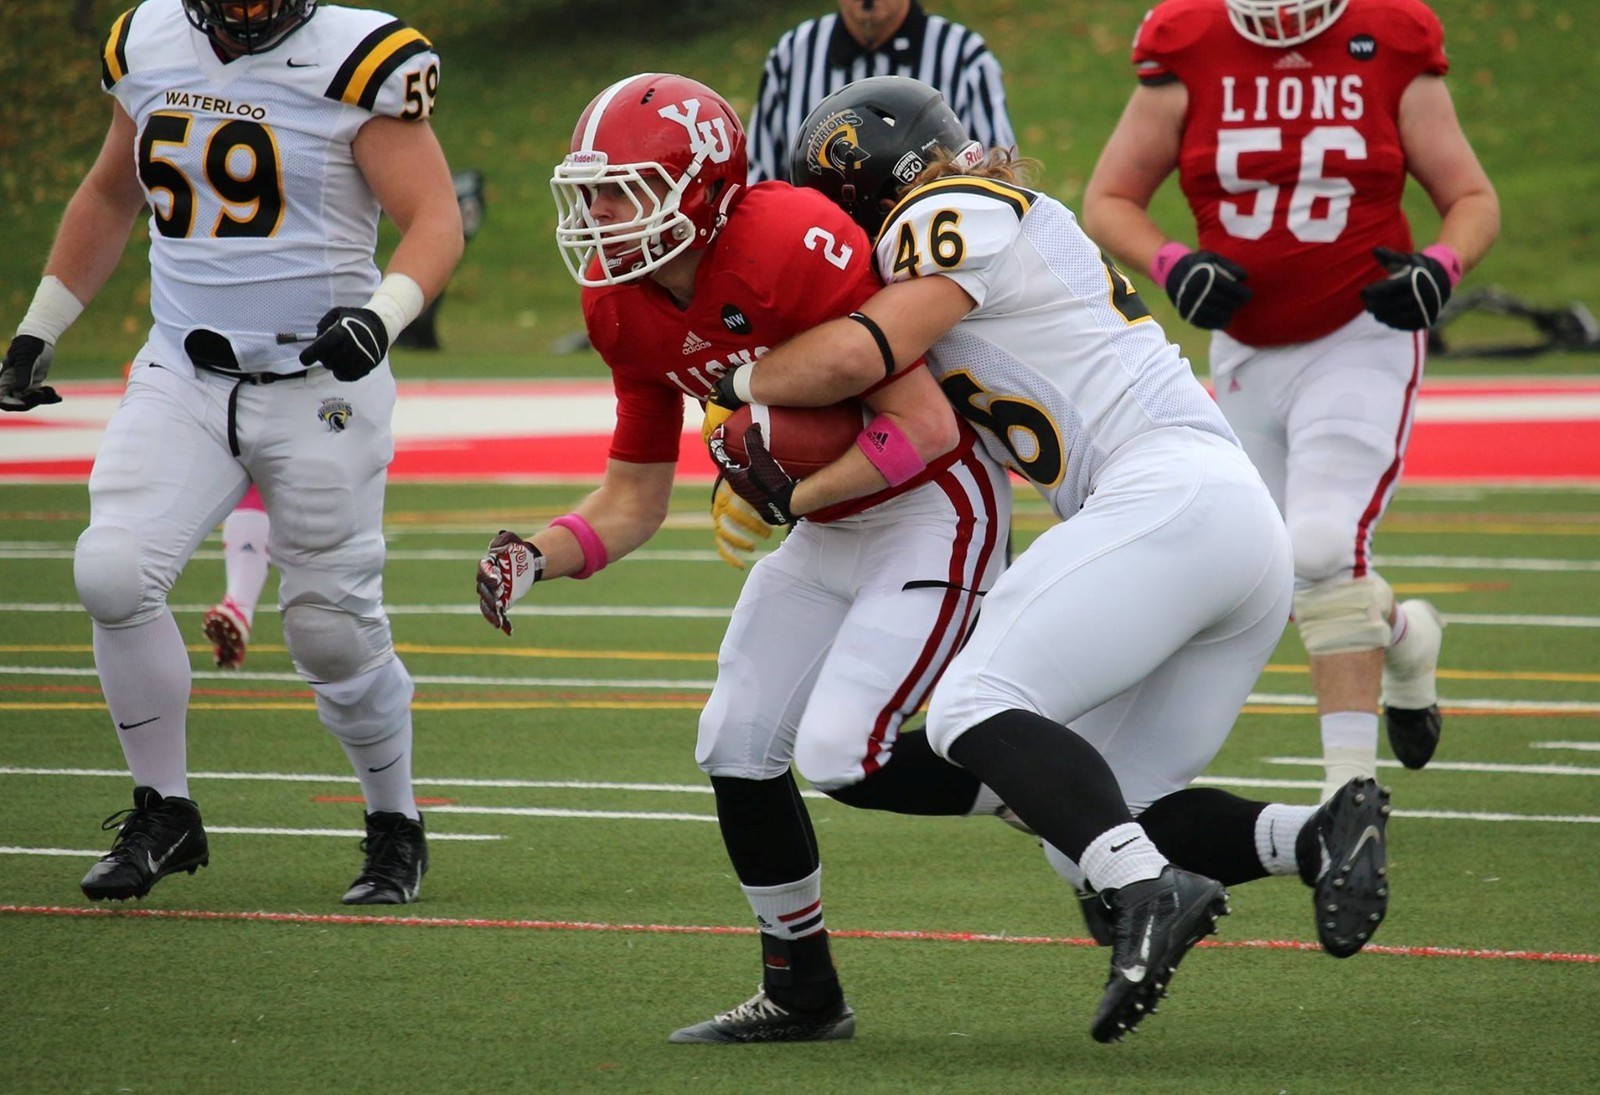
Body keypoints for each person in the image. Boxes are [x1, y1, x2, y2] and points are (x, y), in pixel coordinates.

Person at [704, 76, 1396, 1042]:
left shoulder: (944, 216)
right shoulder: (995, 225)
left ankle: (1153, 895)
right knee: (1094, 823)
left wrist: (731, 379)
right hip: (1228, 531)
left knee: (971, 705)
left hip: (1166, 497)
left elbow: (866, 352)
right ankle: (1319, 835)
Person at [474, 71, 1015, 1046]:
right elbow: (633, 495)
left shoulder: (786, 243)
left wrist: (790, 493)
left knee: (852, 751)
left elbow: (923, 426)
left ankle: (1067, 813)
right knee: (735, 740)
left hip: (930, 503)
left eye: (620, 189)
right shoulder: (620, 304)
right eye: (588, 191)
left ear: (702, 188)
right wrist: (535, 556)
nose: (597, 215)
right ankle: (802, 991)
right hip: (827, 523)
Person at [0, 0, 463, 905]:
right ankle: (164, 808)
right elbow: (109, 191)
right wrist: (39, 328)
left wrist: (381, 316)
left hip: (319, 379)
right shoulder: (147, 42)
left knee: (330, 631)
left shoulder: (358, 56)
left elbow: (434, 217)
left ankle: (393, 821)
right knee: (112, 568)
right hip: (184, 370)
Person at [1081, 0, 1500, 799]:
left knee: (1317, 546)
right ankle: (1407, 639)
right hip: (1245, 346)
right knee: (1265, 568)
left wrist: (1439, 265)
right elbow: (1110, 199)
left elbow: (1471, 196)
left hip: (1360, 331)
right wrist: (1172, 263)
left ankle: (1350, 798)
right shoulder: (1189, 39)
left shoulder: (1391, 33)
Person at [747, 0, 1015, 186]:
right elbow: (758, 177)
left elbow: (998, 172)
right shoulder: (793, 55)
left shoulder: (962, 55)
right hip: (818, 248)